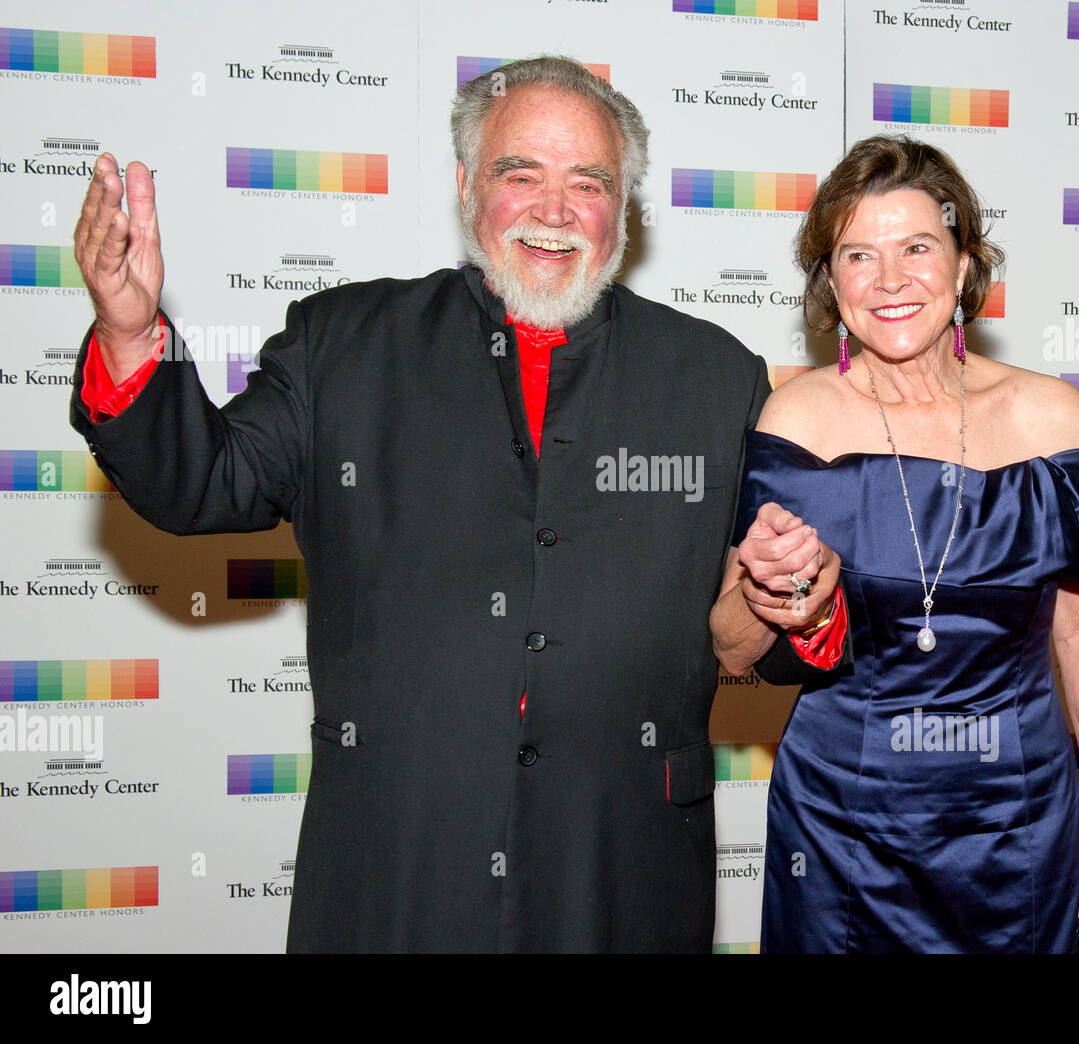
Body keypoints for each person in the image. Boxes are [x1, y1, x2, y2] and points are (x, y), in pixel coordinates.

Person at [69, 56, 770, 952]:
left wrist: (801, 597)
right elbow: (201, 482)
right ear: (467, 185)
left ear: (624, 204)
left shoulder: (716, 377)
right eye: (522, 175)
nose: (554, 212)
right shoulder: (342, 346)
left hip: (623, 875)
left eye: (588, 183)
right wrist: (131, 336)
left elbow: (778, 627)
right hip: (393, 871)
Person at [709, 135, 1079, 952]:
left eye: (918, 247)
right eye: (858, 256)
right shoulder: (798, 421)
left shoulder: (1052, 417)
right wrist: (773, 595)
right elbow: (733, 652)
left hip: (1019, 826)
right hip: (842, 832)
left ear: (966, 265)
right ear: (830, 285)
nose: (891, 280)